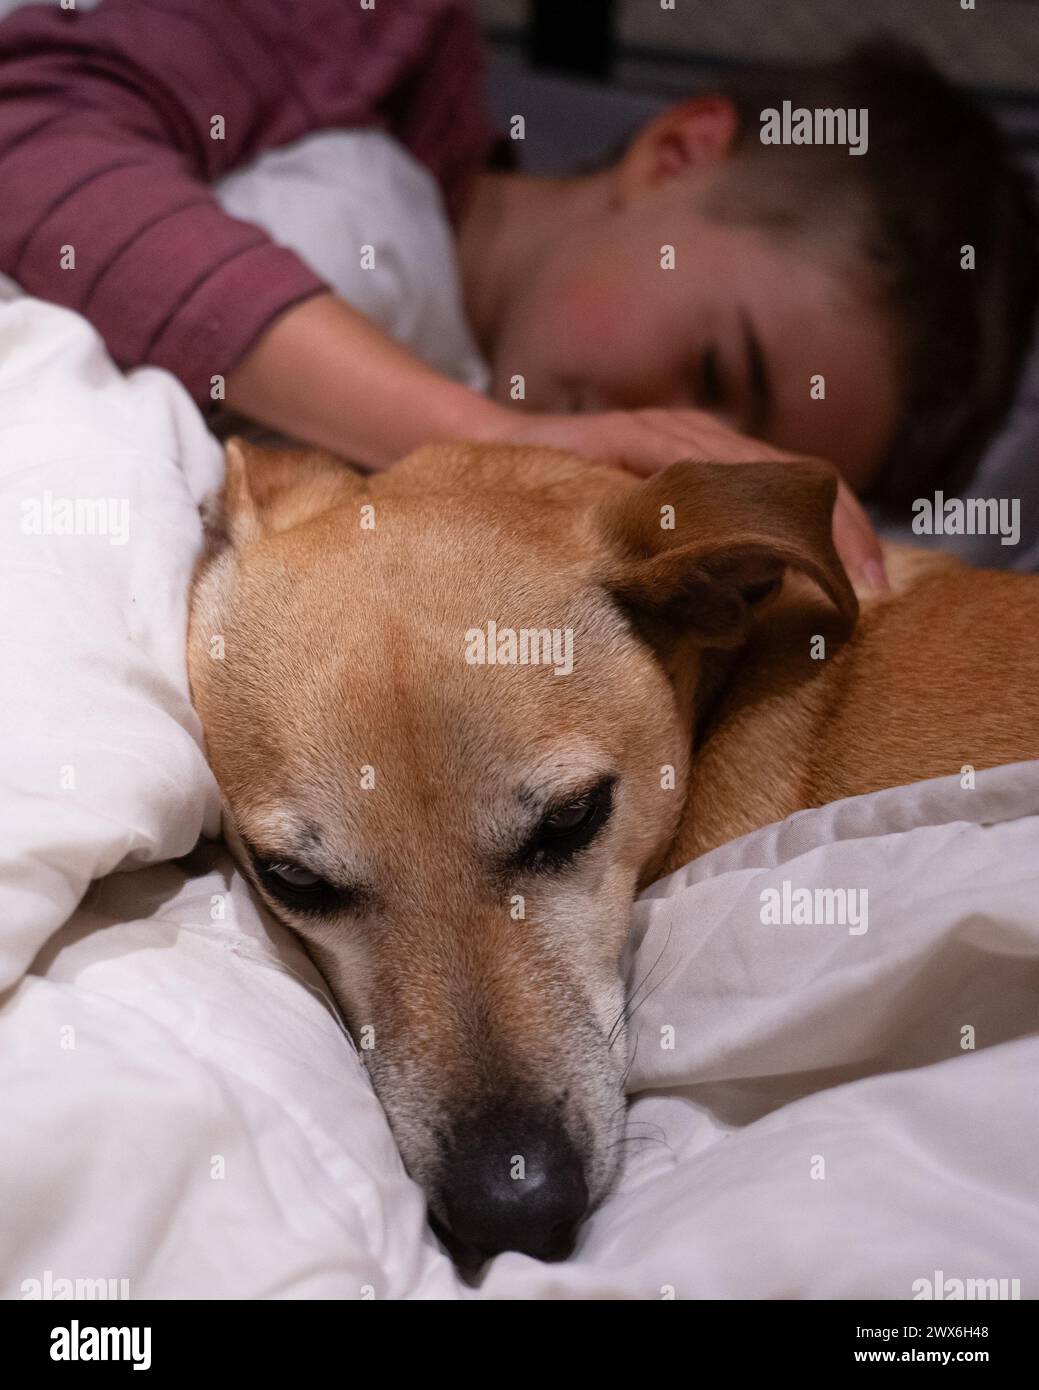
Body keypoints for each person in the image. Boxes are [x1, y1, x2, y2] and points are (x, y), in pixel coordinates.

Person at [0, 0, 1034, 592]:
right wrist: (472, 432)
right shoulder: (375, 35)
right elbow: (25, 128)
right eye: (717, 373)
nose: (668, 442)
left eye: (721, 460)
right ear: (677, 153)